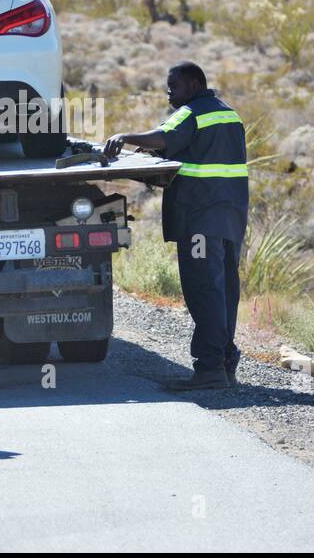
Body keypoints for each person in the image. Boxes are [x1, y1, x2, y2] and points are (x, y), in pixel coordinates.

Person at [104, 62, 249, 390]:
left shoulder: (191, 112)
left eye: (175, 86)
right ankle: (226, 362)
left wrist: (124, 137)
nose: (170, 92)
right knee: (225, 290)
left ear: (195, 84)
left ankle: (210, 367)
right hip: (230, 217)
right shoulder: (229, 114)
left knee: (203, 289)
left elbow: (165, 136)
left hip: (200, 219)